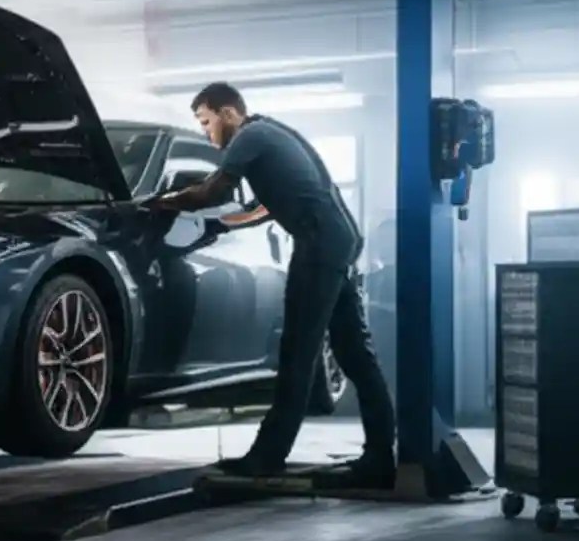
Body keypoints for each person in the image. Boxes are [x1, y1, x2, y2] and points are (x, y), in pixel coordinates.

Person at [145, 82, 397, 488]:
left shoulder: (249, 136)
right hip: (338, 240)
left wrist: (165, 202)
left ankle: (266, 458)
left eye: (207, 122)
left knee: (298, 352)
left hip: (318, 244)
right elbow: (263, 207)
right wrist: (221, 223)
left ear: (228, 113)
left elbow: (215, 189)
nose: (208, 133)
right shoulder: (272, 133)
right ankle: (381, 457)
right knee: (355, 353)